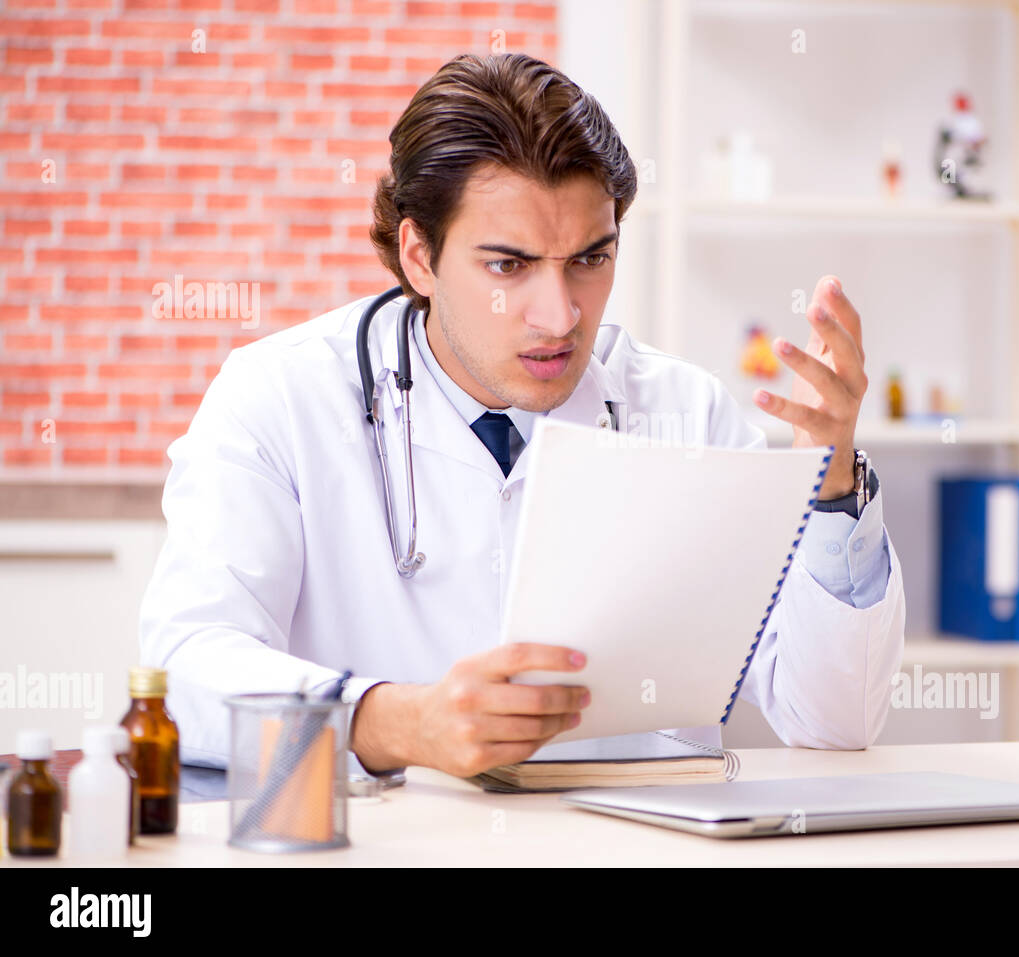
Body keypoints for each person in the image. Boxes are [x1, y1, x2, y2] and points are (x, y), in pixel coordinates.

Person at [138, 52, 905, 780]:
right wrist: (395, 722)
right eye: (509, 265)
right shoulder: (279, 399)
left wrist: (833, 483)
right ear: (419, 256)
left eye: (590, 258)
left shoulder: (684, 412)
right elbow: (184, 668)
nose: (559, 313)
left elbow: (832, 722)